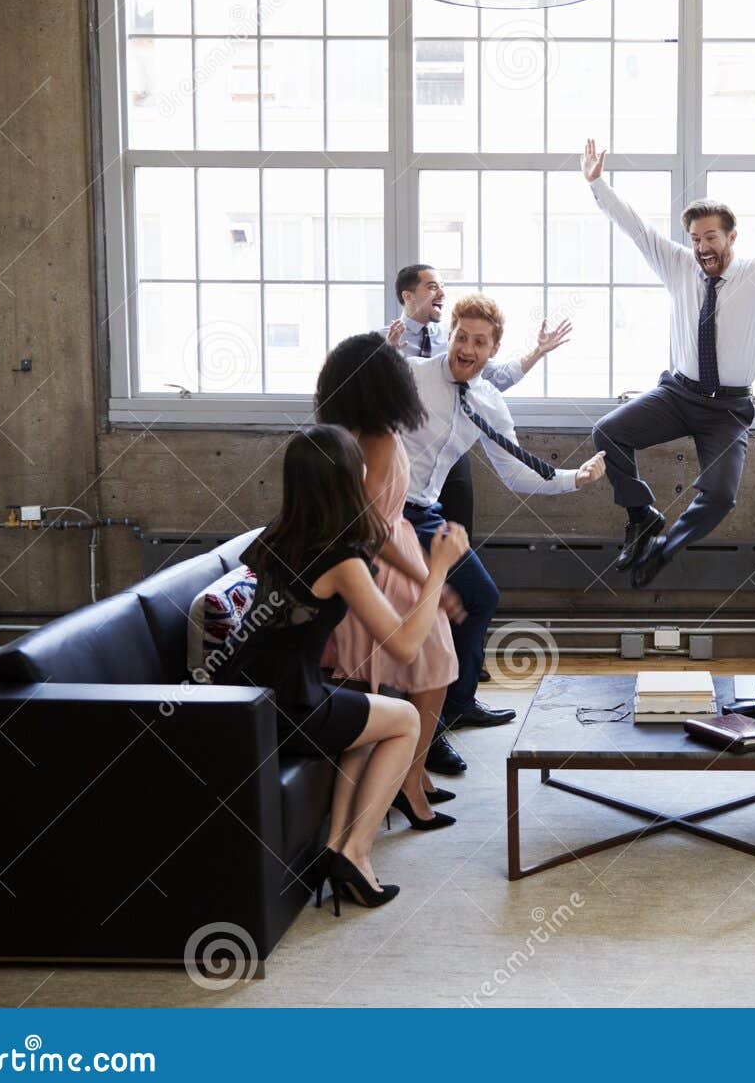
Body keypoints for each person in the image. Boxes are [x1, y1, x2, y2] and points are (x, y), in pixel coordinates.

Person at [215, 425, 469, 913]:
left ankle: (335, 848)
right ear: (347, 481)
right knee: (406, 720)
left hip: (252, 693)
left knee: (372, 716)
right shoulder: (341, 561)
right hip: (288, 706)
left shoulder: (276, 536)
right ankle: (357, 853)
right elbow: (407, 648)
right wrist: (437, 570)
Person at [582, 132, 755, 588]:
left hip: (727, 410)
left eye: (712, 237)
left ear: (731, 237)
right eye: (696, 238)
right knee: (608, 431)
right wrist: (598, 185)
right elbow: (636, 229)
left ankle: (665, 548)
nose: (703, 247)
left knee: (720, 495)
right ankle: (641, 516)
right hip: (677, 394)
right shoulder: (679, 265)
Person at [387, 264, 574, 750]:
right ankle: (429, 731)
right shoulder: (408, 373)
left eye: (480, 343)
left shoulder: (488, 400)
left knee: (481, 596)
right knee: (434, 608)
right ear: (449, 335)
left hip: (425, 511)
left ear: (492, 350)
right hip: (387, 511)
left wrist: (576, 478)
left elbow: (515, 472)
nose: (468, 349)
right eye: (462, 337)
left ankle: (457, 704)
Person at [317, 333, 458, 832]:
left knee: (437, 664)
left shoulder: (369, 432)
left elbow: (380, 523)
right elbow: (371, 526)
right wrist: (428, 577)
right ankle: (408, 777)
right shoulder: (372, 440)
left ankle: (412, 774)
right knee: (435, 663)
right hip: (372, 569)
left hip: (386, 556)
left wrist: (429, 578)